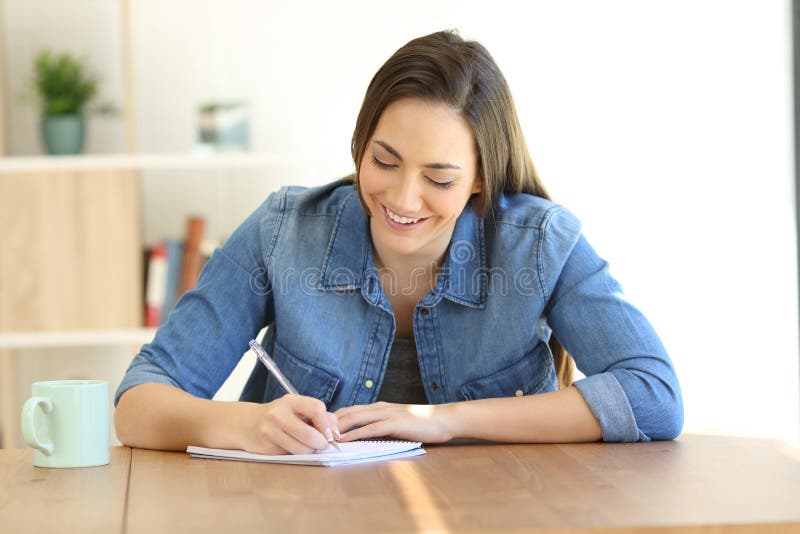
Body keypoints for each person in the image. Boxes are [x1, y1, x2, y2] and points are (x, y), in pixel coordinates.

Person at [114, 30, 683, 454]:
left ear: (482, 177)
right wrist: (242, 425)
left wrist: (444, 419)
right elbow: (137, 403)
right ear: (361, 144)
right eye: (384, 161)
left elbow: (654, 394)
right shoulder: (284, 231)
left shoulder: (538, 245)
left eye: (439, 179)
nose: (404, 200)